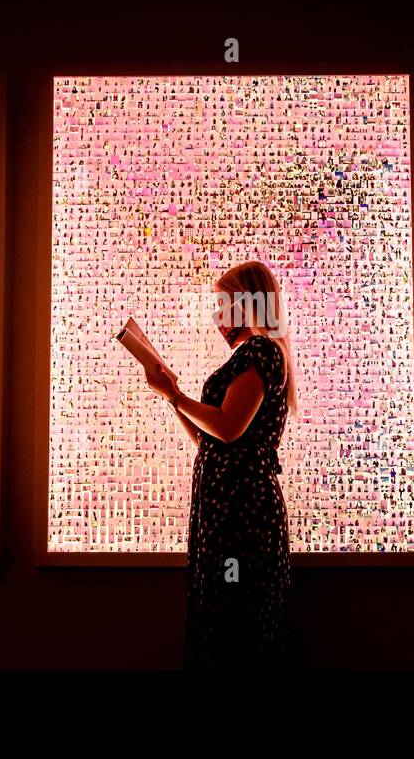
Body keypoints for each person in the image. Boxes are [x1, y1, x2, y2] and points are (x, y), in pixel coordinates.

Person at [145, 260, 297, 670]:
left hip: (241, 513)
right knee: (225, 615)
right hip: (226, 510)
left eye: (224, 303)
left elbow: (228, 429)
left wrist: (176, 396)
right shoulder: (255, 354)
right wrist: (172, 394)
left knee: (234, 619)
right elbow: (206, 440)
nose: (218, 315)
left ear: (248, 304)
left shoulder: (261, 351)